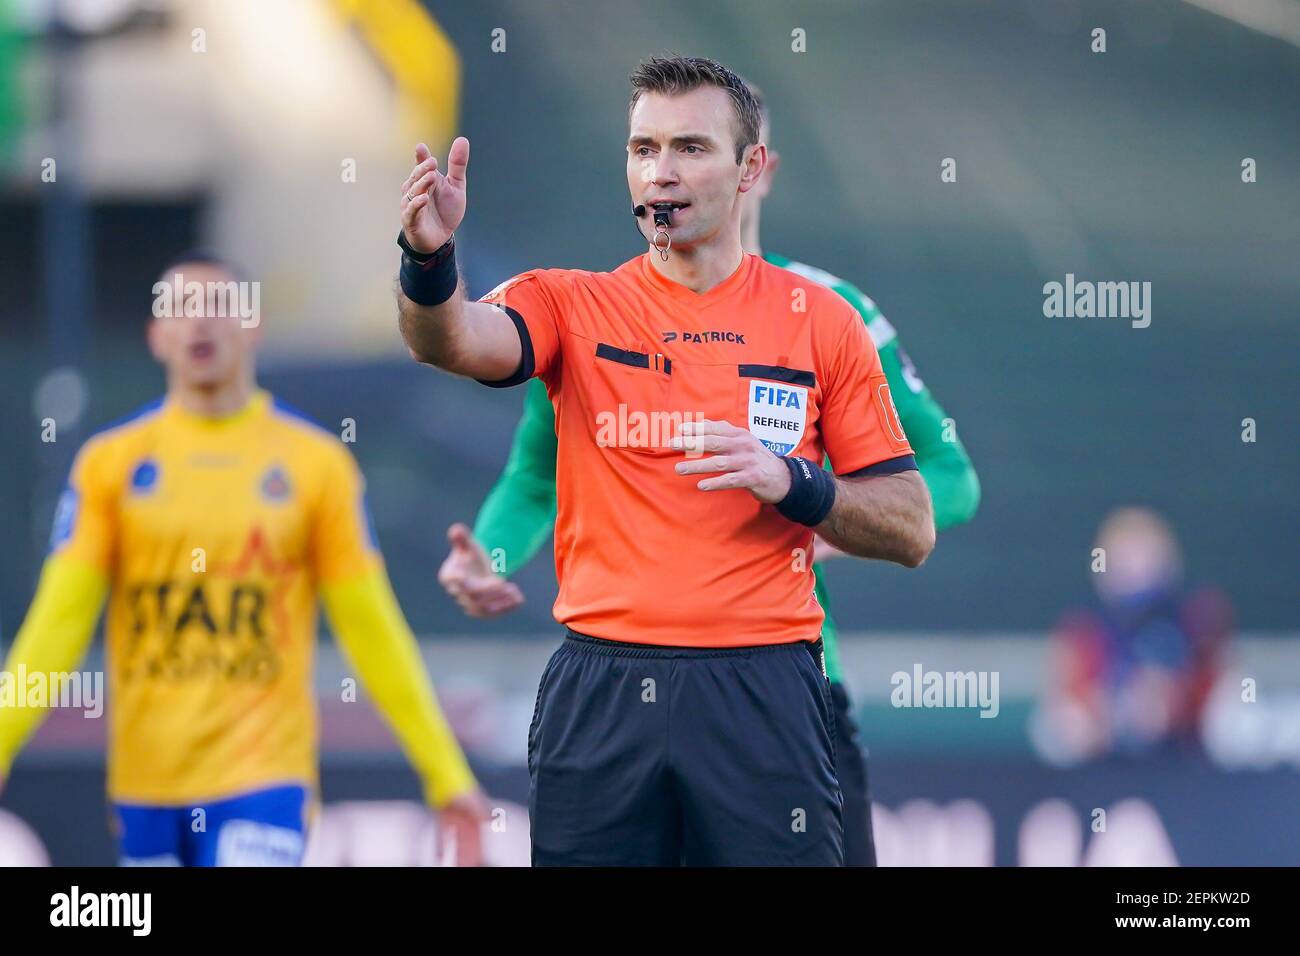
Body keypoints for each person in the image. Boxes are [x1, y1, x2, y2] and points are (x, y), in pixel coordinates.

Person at [396, 55, 935, 866]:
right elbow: (451, 341)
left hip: (763, 690)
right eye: (643, 149)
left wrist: (794, 483)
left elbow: (912, 526)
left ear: (751, 168)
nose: (661, 172)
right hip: (602, 690)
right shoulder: (571, 303)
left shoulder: (821, 323)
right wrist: (429, 260)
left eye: (689, 148)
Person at [0, 252, 488, 866]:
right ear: (157, 336)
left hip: (265, 779)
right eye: (181, 310)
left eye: (220, 307)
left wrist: (446, 774)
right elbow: (57, 627)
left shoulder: (314, 466)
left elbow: (373, 631)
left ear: (253, 325)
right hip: (147, 786)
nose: (201, 324)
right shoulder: (110, 465)